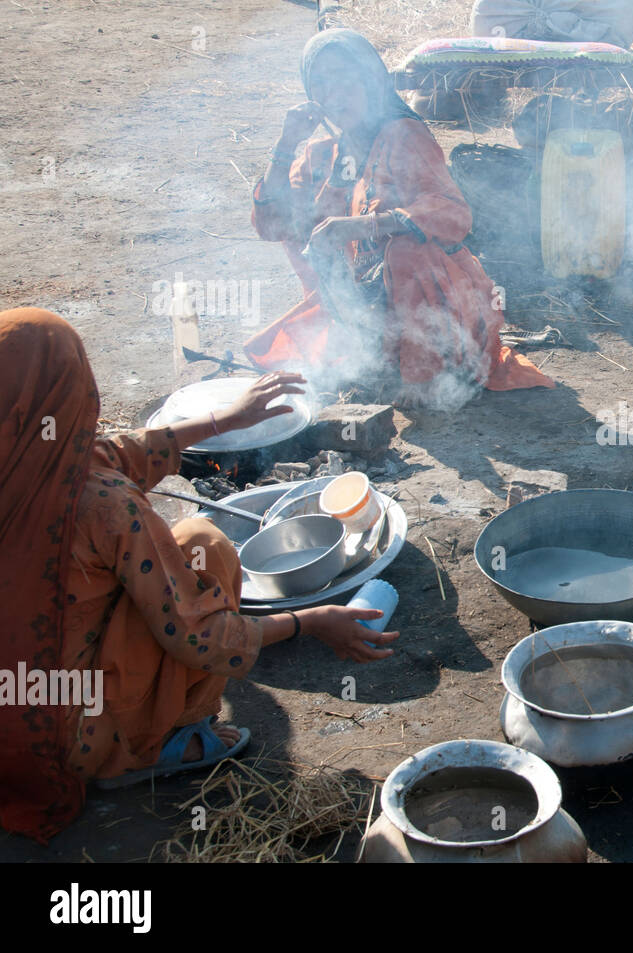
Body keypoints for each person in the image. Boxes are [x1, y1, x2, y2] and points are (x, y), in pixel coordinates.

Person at [0, 308, 398, 844]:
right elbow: (200, 637)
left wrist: (226, 420)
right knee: (202, 547)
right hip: (68, 734)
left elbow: (120, 451)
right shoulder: (103, 504)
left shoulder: (23, 449)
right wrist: (312, 620)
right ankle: (151, 745)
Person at [245, 28, 553, 407]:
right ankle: (375, 357)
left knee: (406, 247)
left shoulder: (404, 136)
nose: (334, 92)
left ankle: (429, 375)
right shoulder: (321, 153)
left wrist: (368, 224)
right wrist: (285, 144)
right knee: (302, 230)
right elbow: (272, 225)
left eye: (344, 76)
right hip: (365, 313)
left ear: (372, 78)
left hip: (439, 313)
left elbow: (454, 213)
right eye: (320, 83)